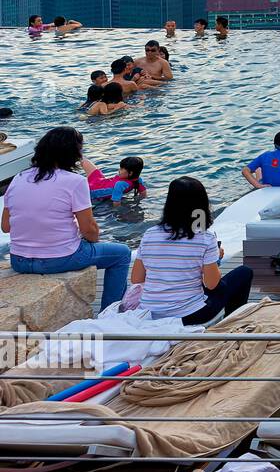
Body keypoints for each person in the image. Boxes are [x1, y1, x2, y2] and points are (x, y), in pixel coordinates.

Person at [0, 127, 131, 310]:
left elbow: (6, 226)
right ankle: (110, 312)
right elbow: (89, 229)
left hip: (19, 260)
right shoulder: (74, 181)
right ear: (72, 154)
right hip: (58, 259)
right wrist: (91, 241)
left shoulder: (19, 178)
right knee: (121, 254)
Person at [131, 177, 254, 325]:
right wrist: (214, 259)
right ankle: (232, 325)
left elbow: (137, 279)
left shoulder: (150, 234)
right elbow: (212, 284)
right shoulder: (205, 238)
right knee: (244, 272)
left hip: (150, 312)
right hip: (189, 315)